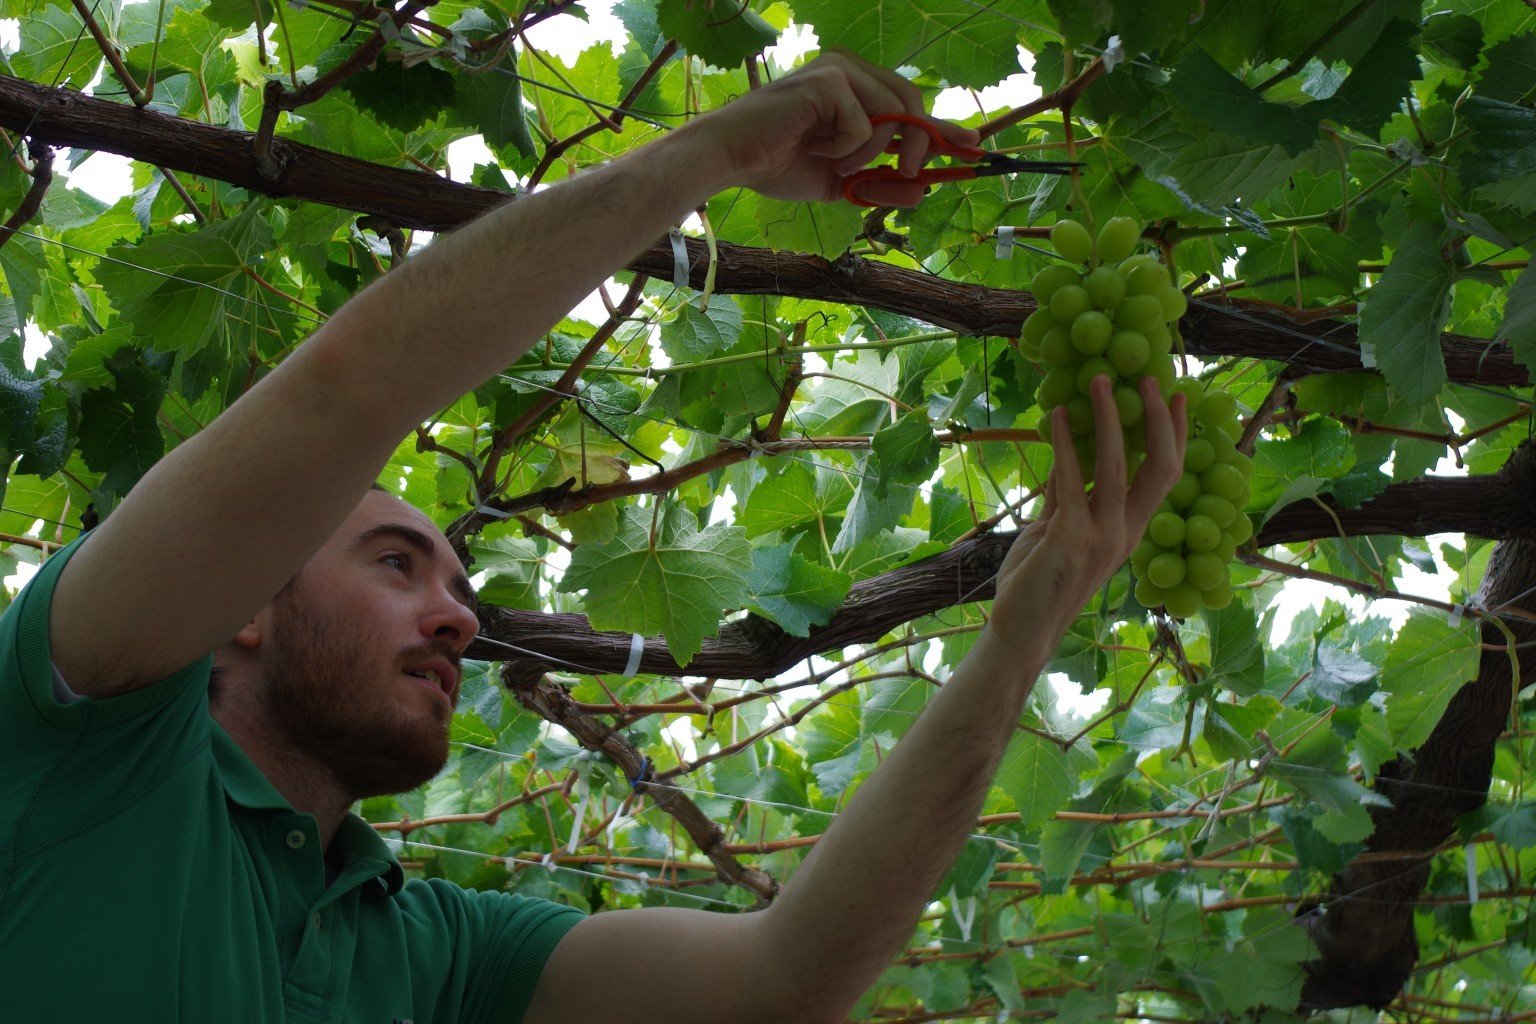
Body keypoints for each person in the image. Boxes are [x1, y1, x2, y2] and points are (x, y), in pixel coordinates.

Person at [0, 49, 1186, 1023]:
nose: (461, 615)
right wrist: (714, 154)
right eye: (396, 562)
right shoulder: (86, 736)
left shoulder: (433, 951)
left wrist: (1023, 634)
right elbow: (347, 394)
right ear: (244, 602)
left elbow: (784, 982)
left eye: (453, 582)